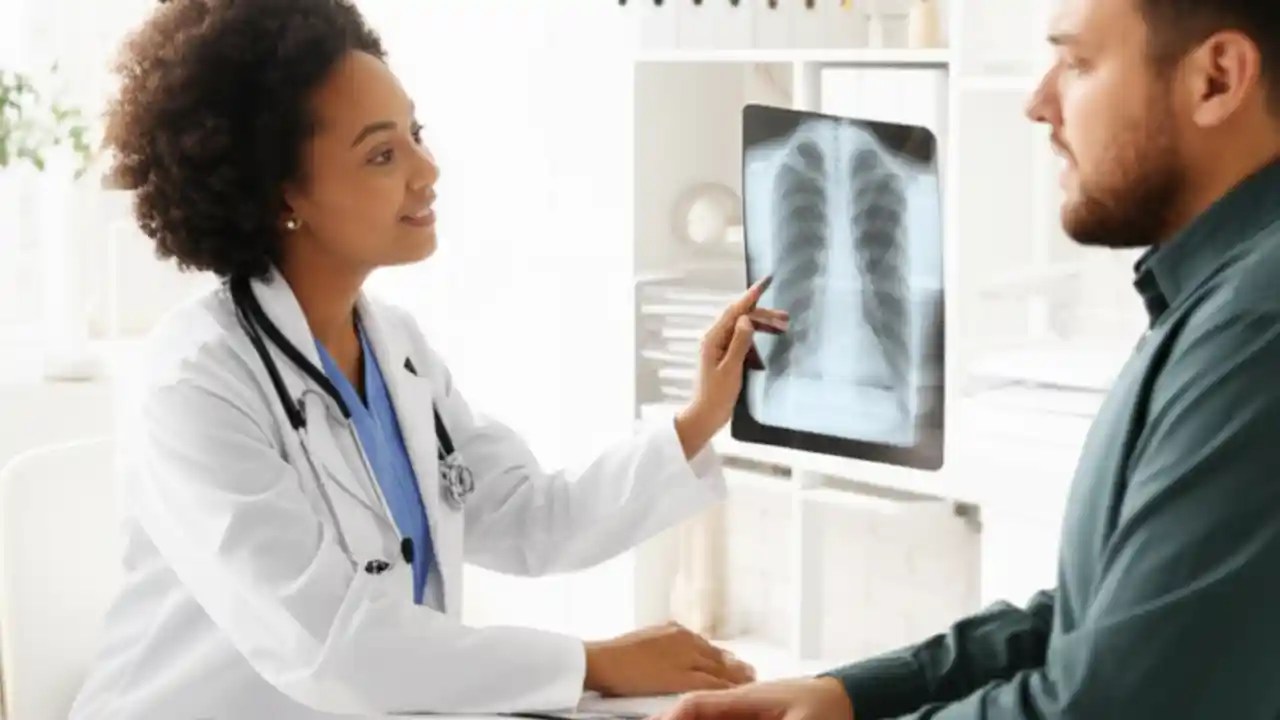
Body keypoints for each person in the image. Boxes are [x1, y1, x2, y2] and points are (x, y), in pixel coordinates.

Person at [68, 1, 791, 718]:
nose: (428, 170)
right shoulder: (194, 384)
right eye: (383, 154)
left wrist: (699, 418)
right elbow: (332, 649)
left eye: (415, 135)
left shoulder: (394, 348)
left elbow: (528, 517)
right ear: (282, 193)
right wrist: (592, 662)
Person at [657, 0, 1280, 718]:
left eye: (1078, 63)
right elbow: (1116, 617)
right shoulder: (1214, 299)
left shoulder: (1258, 330)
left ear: (1217, 80)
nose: (1037, 102)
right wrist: (850, 695)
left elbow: (1109, 704)